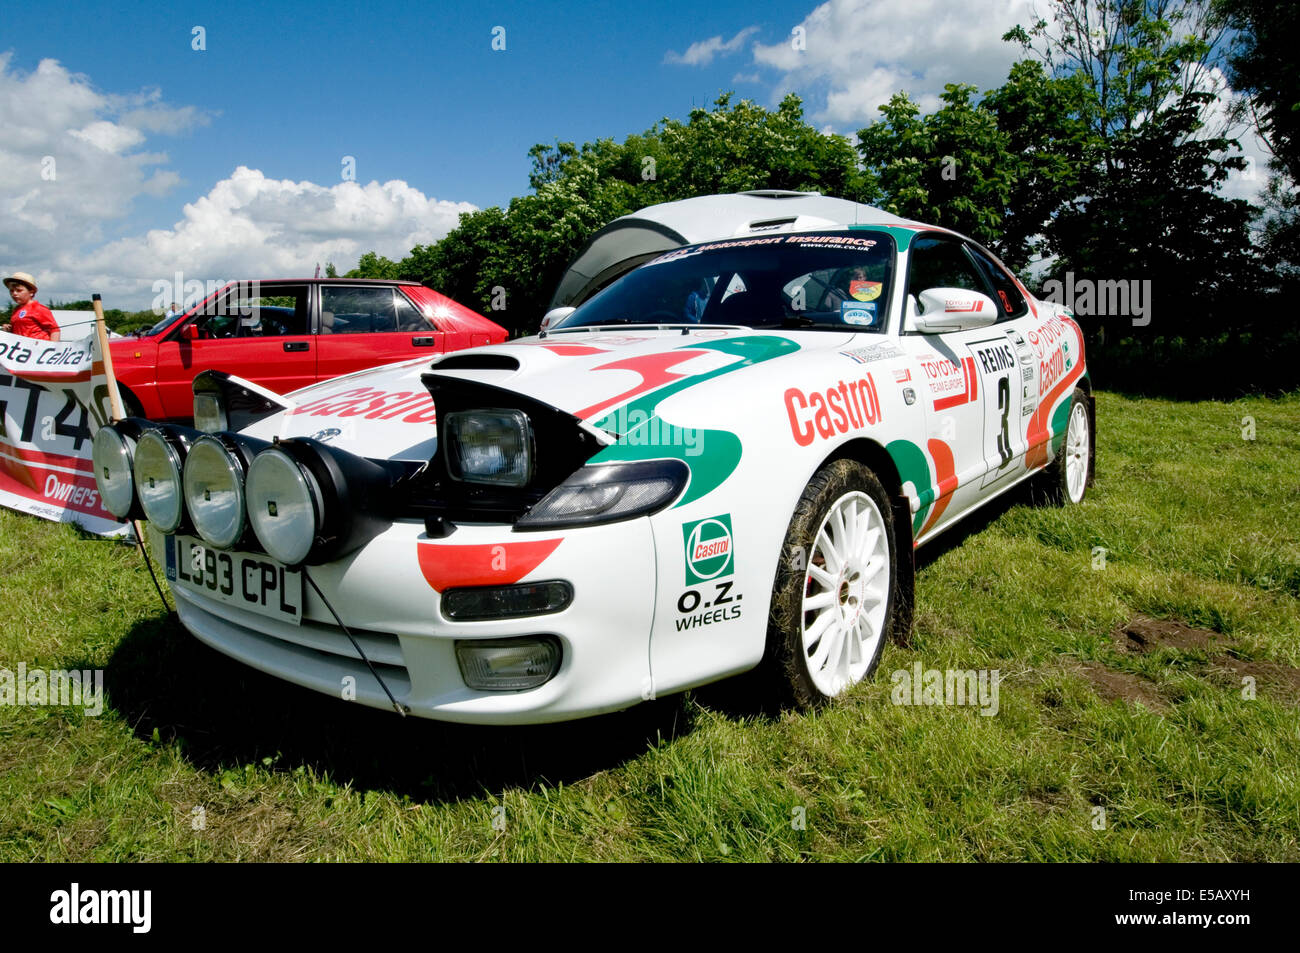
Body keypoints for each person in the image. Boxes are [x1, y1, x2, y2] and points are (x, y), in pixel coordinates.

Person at [2, 272, 61, 341]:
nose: (14, 294)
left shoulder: (38, 308)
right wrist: (8, 330)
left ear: (31, 292)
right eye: (11, 291)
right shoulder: (16, 310)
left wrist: (53, 349)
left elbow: (55, 330)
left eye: (19, 290)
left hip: (38, 348)